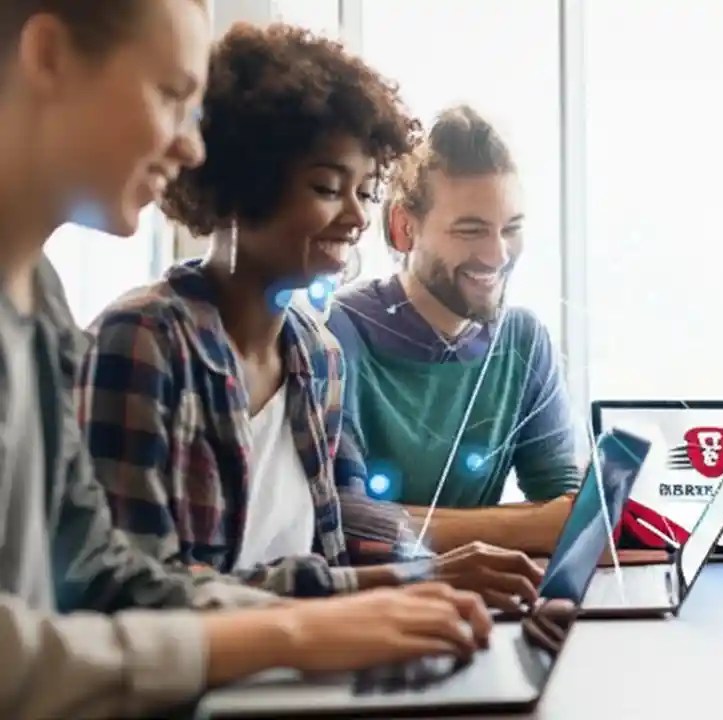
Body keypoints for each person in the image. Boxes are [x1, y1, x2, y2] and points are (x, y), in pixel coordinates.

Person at [0, 3, 490, 717]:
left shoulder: (37, 298)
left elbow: (107, 576)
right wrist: (291, 631)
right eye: (170, 96)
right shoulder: (140, 335)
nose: (192, 149)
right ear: (48, 55)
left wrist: (336, 617)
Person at [77, 22, 542, 611]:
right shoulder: (143, 343)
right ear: (242, 187)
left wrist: (444, 572)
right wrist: (413, 581)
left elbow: (341, 545)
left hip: (310, 671)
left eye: (365, 193)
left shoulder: (316, 353)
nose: (354, 217)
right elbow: (136, 595)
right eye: (328, 187)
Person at [328, 105, 580, 555]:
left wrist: (407, 524)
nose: (498, 254)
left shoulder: (522, 340)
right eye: (471, 231)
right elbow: (345, 524)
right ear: (405, 229)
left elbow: (576, 517)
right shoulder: (336, 332)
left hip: (480, 602)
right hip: (370, 609)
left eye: (511, 229)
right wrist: (527, 525)